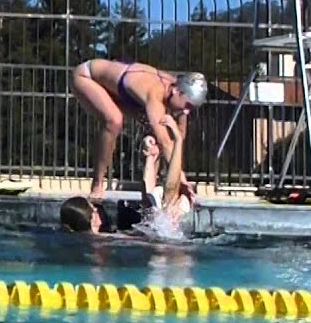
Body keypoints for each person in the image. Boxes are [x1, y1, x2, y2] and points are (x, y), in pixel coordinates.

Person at [71, 59, 208, 197]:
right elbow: (165, 143)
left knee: (155, 133)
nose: (187, 112)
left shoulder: (180, 98)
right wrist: (181, 180)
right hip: (86, 76)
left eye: (192, 108)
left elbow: (178, 139)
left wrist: (177, 178)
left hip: (116, 90)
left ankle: (153, 188)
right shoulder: (155, 93)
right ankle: (97, 184)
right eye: (188, 106)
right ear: (176, 91)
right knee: (114, 121)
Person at [59, 130, 192, 234]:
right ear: (93, 220)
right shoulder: (109, 239)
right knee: (167, 204)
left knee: (156, 208)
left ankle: (154, 153)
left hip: (159, 236)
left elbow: (147, 203)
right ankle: (177, 142)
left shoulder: (108, 237)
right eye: (94, 209)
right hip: (165, 241)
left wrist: (150, 158)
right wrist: (178, 141)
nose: (99, 208)